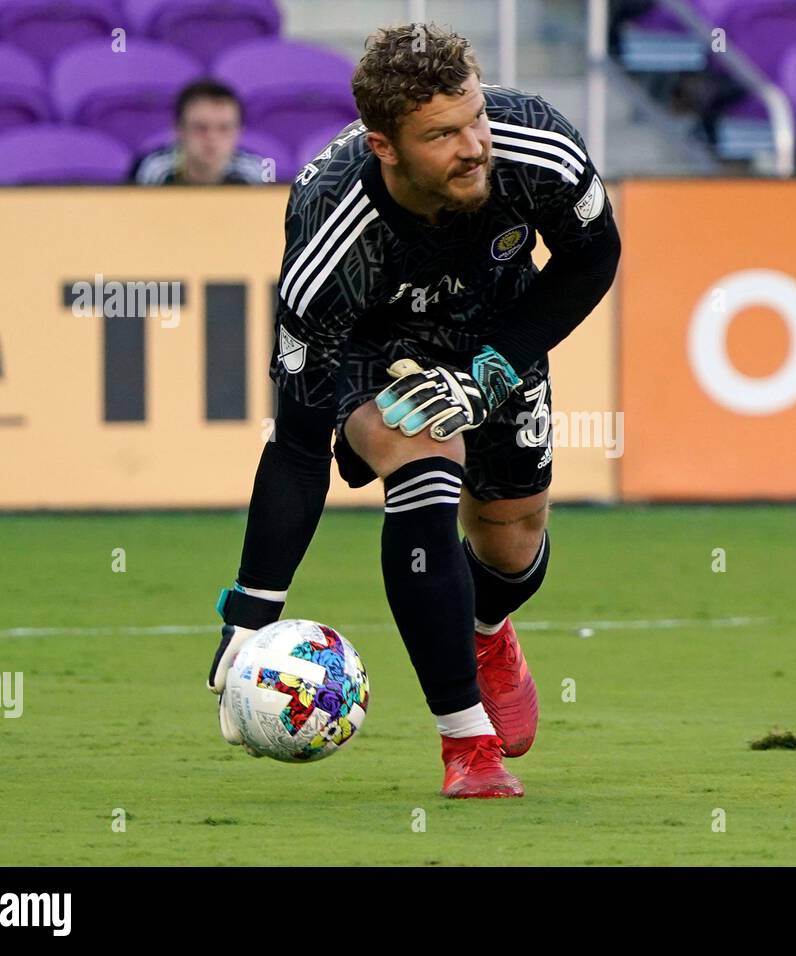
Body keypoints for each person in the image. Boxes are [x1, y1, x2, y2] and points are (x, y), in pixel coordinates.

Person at [207, 22, 620, 798]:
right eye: (443, 135)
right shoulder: (330, 230)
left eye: (474, 118)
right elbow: (297, 443)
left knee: (514, 548)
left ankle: (486, 630)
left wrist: (492, 370)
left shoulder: (534, 145)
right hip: (376, 347)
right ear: (384, 145)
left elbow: (594, 257)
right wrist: (252, 612)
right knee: (426, 459)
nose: (473, 146)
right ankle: (467, 745)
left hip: (498, 330)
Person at [131, 80, 269, 185]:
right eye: (200, 128)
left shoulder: (254, 173)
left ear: (239, 132)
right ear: (178, 129)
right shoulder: (154, 170)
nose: (212, 137)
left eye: (224, 128)